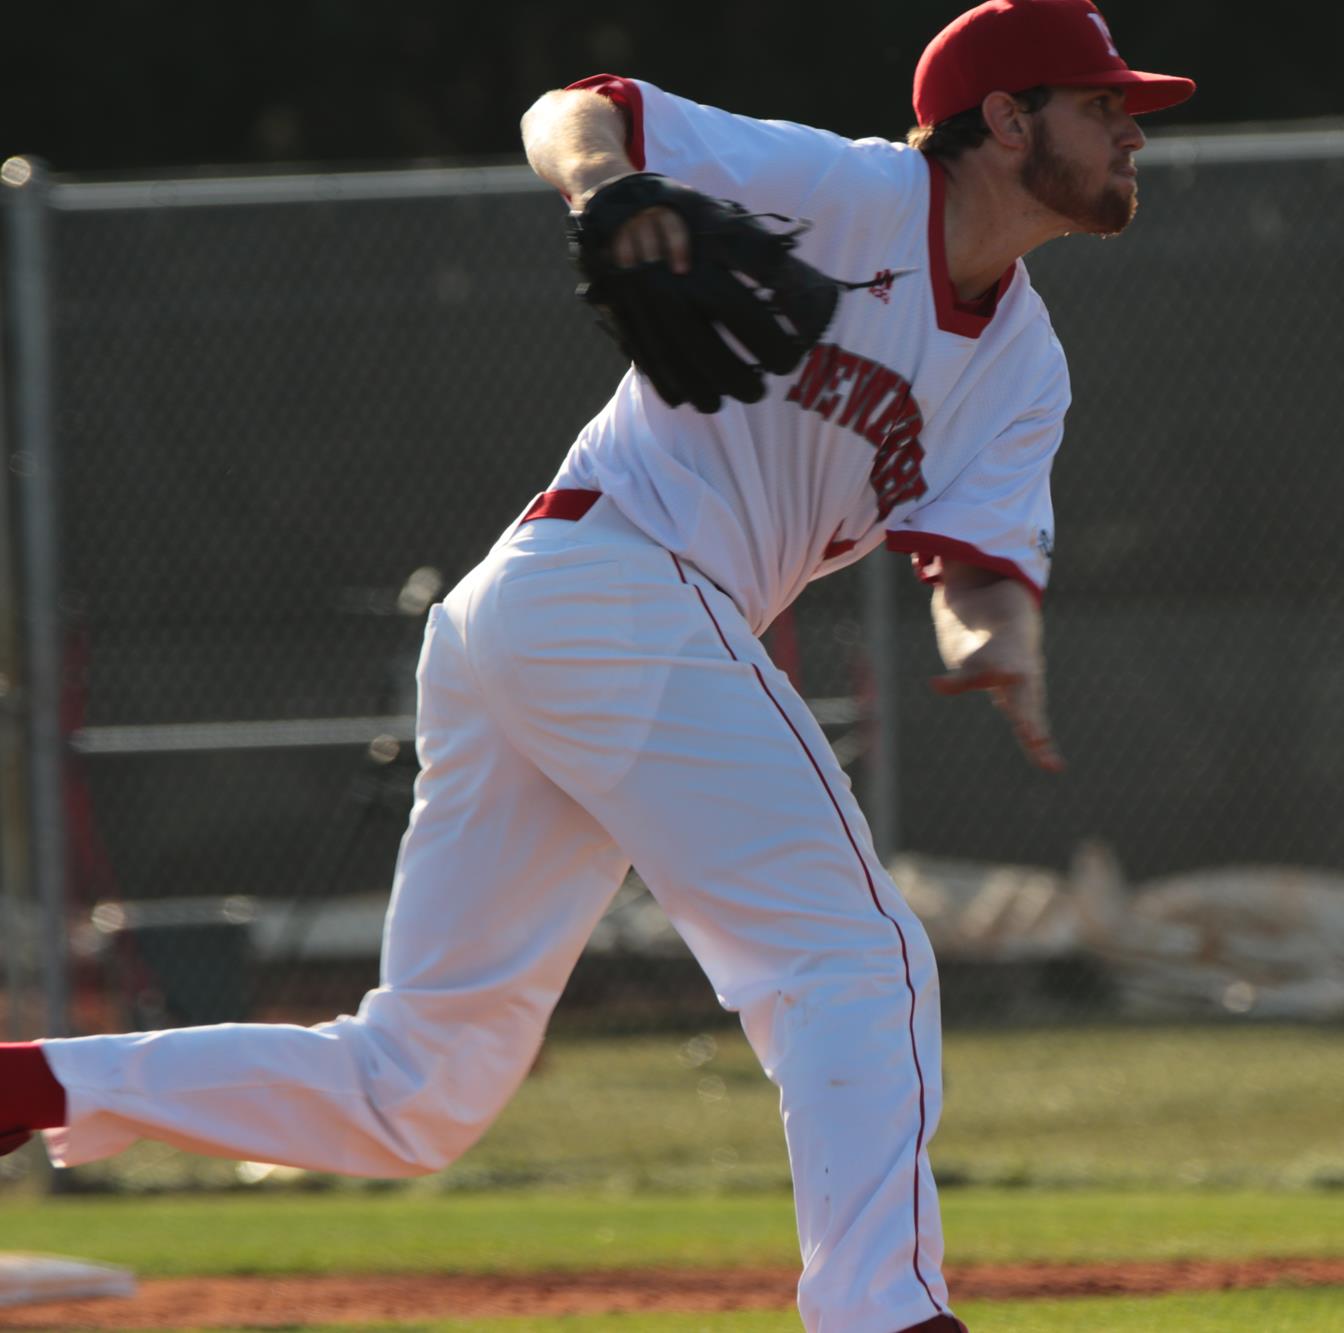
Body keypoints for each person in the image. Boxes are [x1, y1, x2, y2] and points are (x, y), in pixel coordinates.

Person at [0, 2, 1191, 1328]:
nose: (1132, 125)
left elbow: (978, 570)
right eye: (1102, 103)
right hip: (613, 584)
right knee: (858, 956)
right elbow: (579, 109)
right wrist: (608, 188)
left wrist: (996, 649)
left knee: (420, 1085)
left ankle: (30, 1085)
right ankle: (884, 1314)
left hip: (554, 619)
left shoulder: (1025, 364)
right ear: (1006, 120)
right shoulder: (848, 189)